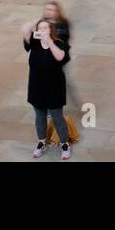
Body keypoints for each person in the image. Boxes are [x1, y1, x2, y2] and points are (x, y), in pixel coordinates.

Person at [24, 17, 72, 159]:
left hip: (54, 87)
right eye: (41, 28)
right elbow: (24, 30)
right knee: (40, 116)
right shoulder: (34, 43)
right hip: (36, 86)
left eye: (46, 28)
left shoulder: (58, 43)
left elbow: (60, 57)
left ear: (51, 31)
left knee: (57, 116)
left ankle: (65, 143)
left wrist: (49, 41)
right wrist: (35, 24)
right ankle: (41, 142)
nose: (43, 31)